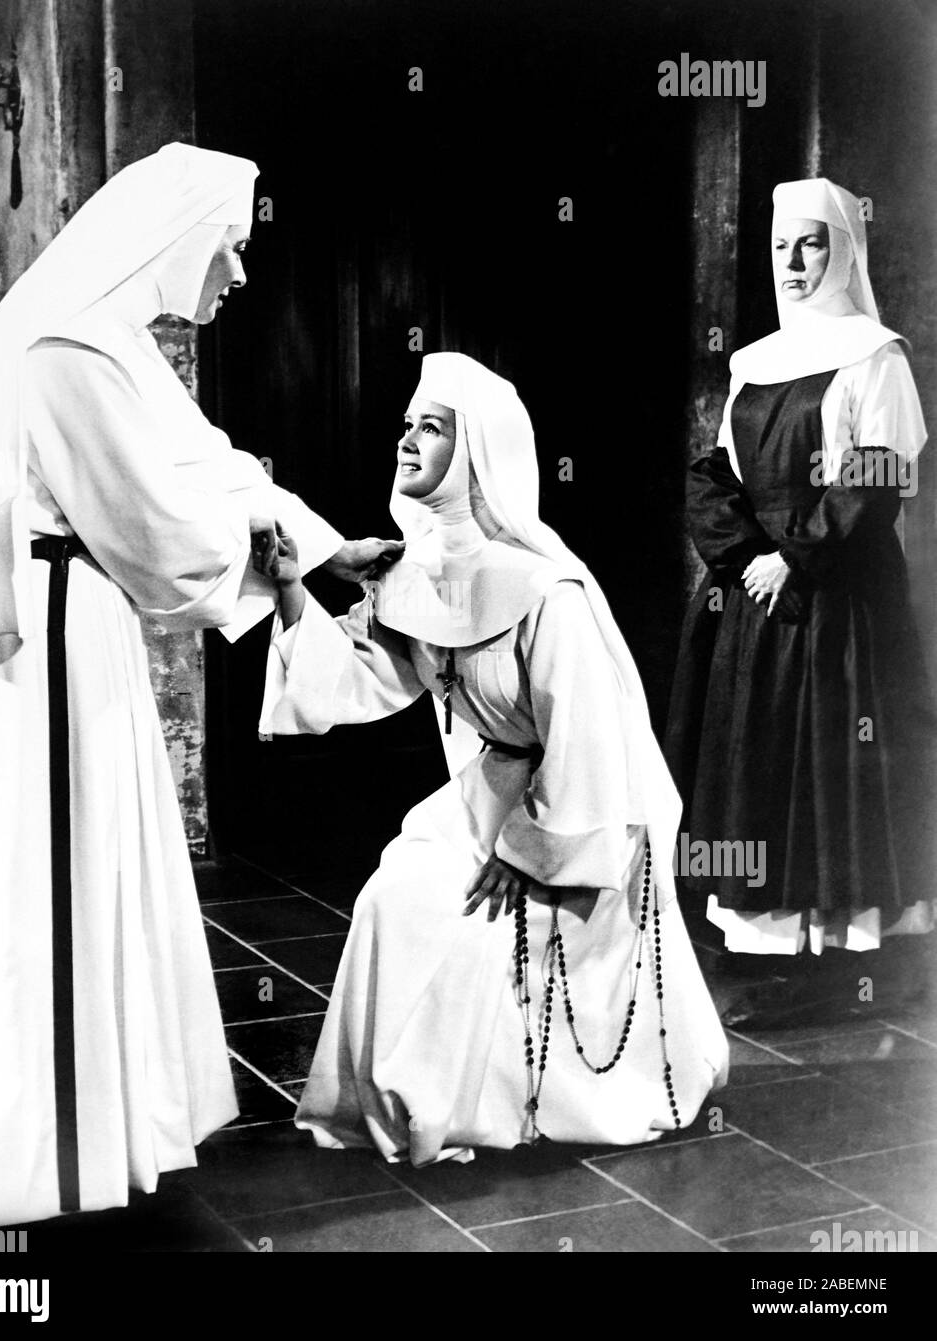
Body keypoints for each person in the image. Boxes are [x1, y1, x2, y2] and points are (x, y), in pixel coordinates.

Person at [0, 142, 401, 1228]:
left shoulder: (111, 345)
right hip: (48, 648)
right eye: (231, 246)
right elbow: (157, 531)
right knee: (50, 874)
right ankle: (34, 1153)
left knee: (86, 871)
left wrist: (316, 551)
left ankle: (90, 1130)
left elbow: (208, 464)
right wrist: (270, 561)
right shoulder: (63, 352)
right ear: (176, 239)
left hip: (84, 633)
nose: (239, 273)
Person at [257, 352, 728, 1163]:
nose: (406, 440)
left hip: (582, 817)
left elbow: (589, 742)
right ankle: (395, 1101)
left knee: (459, 922)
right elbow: (362, 675)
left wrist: (530, 849)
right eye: (406, 424)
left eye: (430, 428)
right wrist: (294, 589)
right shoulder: (414, 575)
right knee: (389, 895)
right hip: (485, 794)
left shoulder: (548, 593)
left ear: (475, 452)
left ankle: (457, 1105)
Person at [664, 178, 935, 1026]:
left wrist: (797, 557)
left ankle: (850, 960)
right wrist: (748, 556)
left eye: (810, 244)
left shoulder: (874, 357)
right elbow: (712, 474)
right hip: (757, 592)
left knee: (832, 762)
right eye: (780, 245)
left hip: (837, 592)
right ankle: (776, 949)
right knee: (762, 758)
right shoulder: (753, 362)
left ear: (840, 253)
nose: (790, 261)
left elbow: (877, 476)